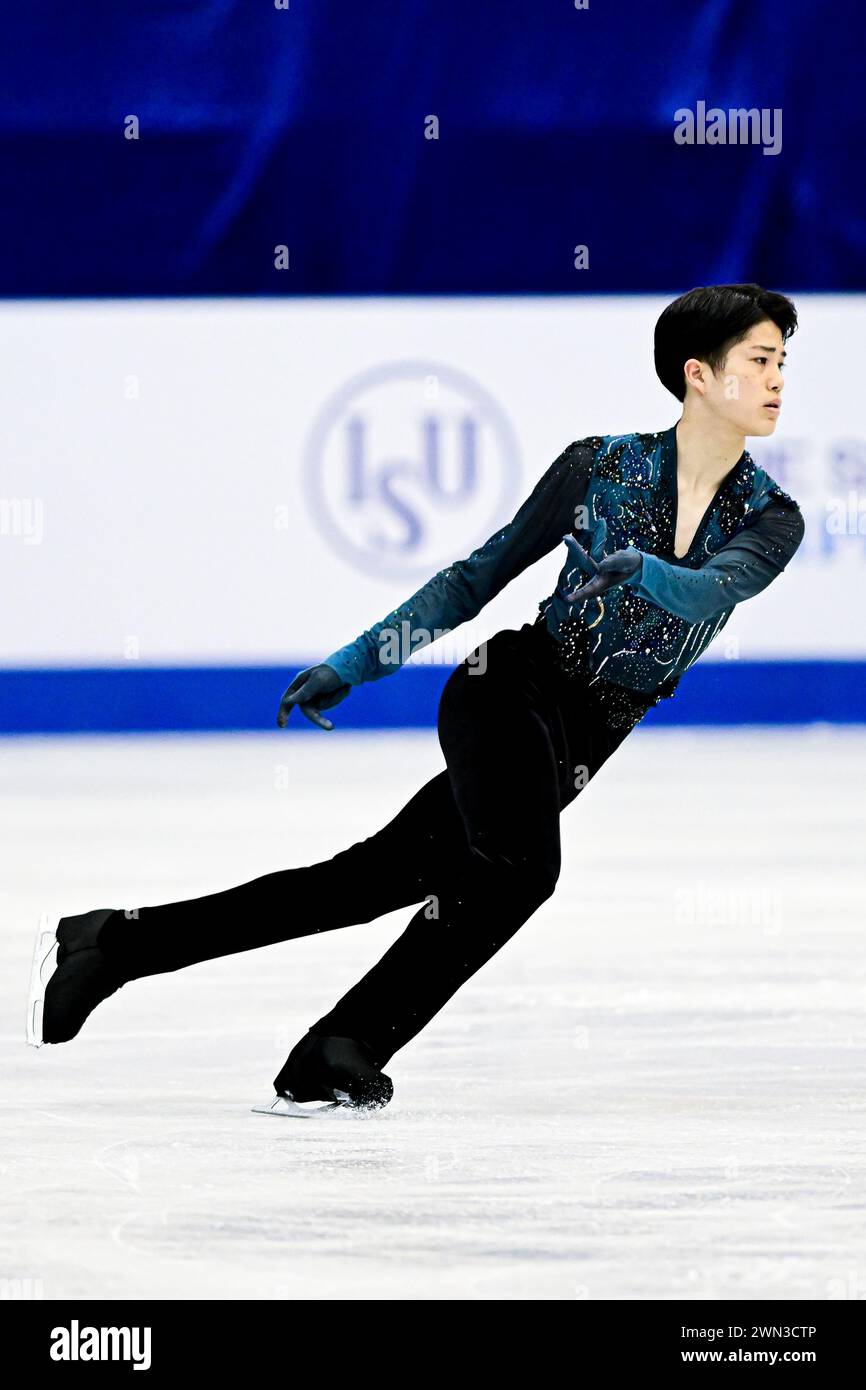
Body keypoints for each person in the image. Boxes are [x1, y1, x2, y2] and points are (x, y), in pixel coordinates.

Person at [28, 284, 805, 1113]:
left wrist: (644, 571)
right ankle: (346, 1043)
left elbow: (711, 589)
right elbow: (476, 579)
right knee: (522, 871)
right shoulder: (599, 466)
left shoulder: (772, 516)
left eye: (783, 363)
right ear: (698, 373)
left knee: (359, 884)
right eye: (759, 360)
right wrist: (361, 660)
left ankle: (115, 942)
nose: (777, 380)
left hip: (587, 736)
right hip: (506, 690)